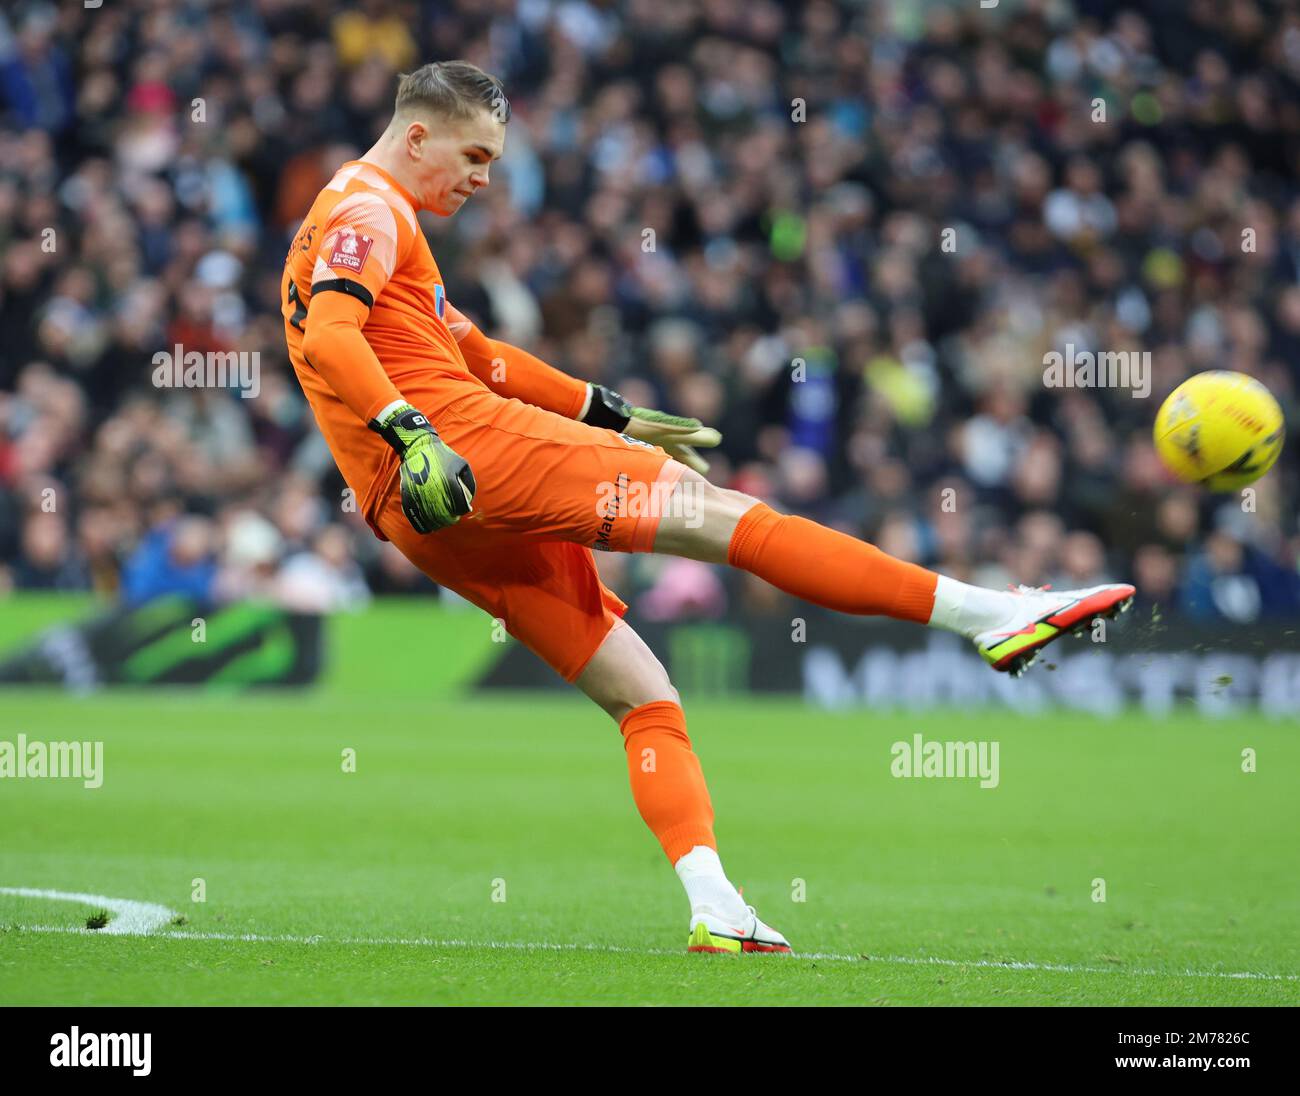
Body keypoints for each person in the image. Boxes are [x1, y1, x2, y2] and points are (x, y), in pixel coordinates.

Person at [281, 60, 1135, 955]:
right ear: (416, 135)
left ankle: (716, 903)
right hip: (465, 451)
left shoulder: (351, 225)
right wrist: (416, 431)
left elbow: (481, 354)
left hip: (419, 512)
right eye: (475, 155)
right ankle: (991, 613)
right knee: (728, 518)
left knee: (645, 698)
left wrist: (606, 410)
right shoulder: (372, 209)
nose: (486, 179)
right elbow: (341, 338)